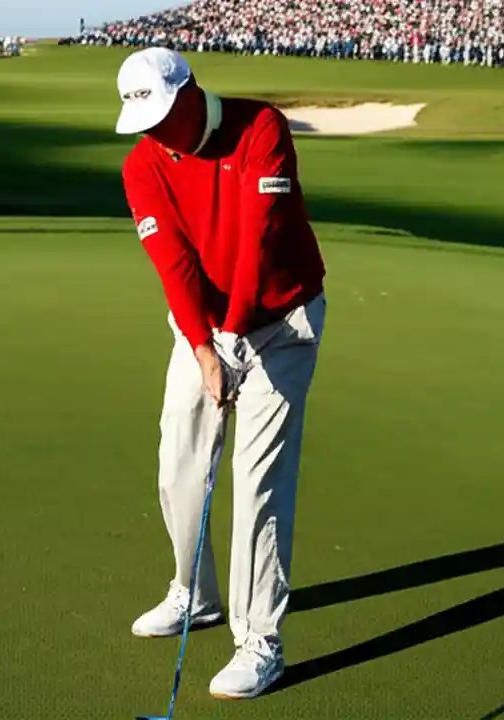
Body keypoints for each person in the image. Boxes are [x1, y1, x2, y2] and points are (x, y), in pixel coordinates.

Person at [114, 46, 327, 700]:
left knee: (256, 479)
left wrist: (234, 335)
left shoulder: (259, 128)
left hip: (282, 320)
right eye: (138, 119)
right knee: (180, 459)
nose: (150, 131)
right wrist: (206, 347)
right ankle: (195, 591)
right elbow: (172, 263)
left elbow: (260, 239)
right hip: (206, 331)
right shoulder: (143, 163)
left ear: (188, 95)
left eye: (158, 115)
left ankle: (260, 639)